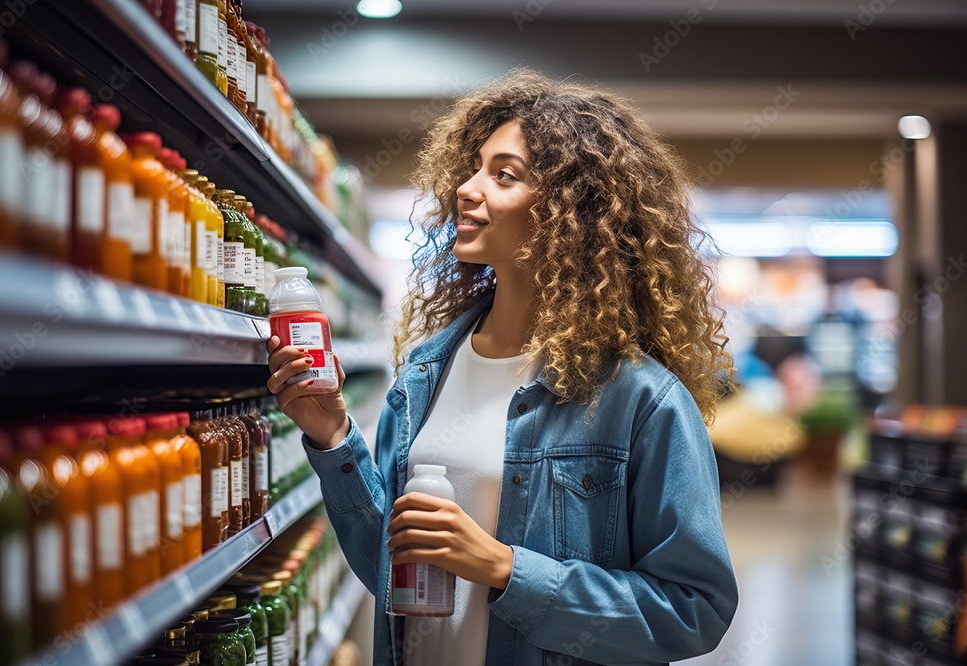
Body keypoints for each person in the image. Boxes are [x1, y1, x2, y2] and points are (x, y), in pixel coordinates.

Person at [266, 70, 738, 666]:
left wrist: (503, 569)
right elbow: (390, 568)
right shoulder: (423, 374)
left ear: (575, 211)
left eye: (503, 174)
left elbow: (694, 609)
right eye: (474, 167)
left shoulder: (639, 400)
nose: (467, 188)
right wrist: (331, 435)